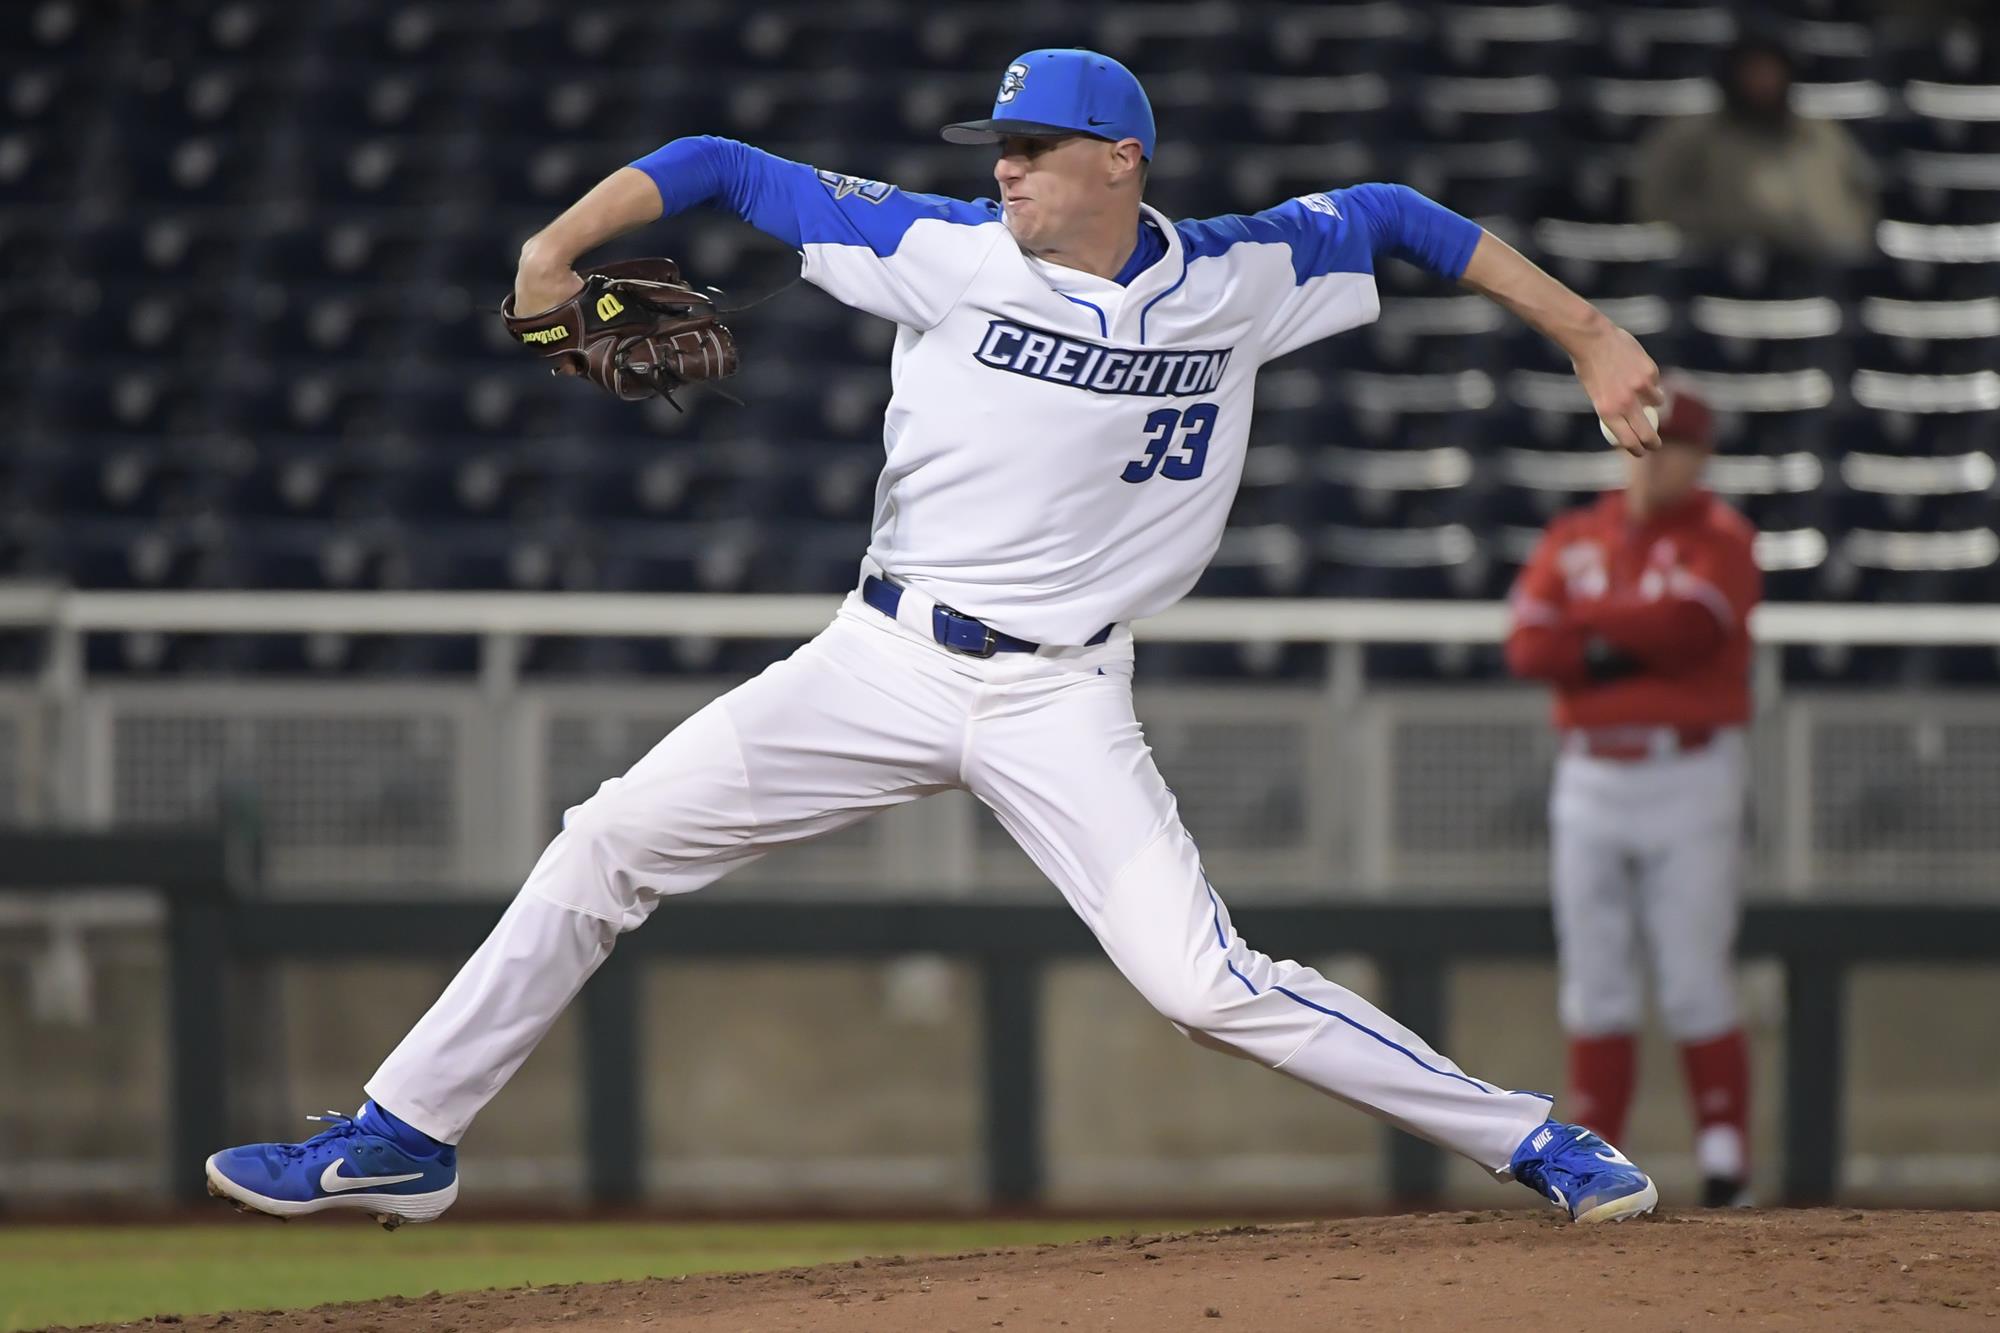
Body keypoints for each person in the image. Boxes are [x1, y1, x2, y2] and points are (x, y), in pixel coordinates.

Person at [204, 49, 1667, 1227]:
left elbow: (1403, 211)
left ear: (1120, 160)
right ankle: (403, 1137)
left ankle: (1535, 1140)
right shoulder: (940, 246)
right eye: (997, 146)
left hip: (1062, 694)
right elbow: (718, 164)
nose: (1005, 167)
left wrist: (1592, 335)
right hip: (879, 661)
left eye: (1031, 147)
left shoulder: (1240, 275)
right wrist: (558, 244)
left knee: (1201, 985)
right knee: (604, 841)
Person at [1504, 381, 1760, 1207]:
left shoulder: (1721, 535)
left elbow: (1695, 629)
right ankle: (1598, 1166)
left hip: (1687, 772)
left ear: (1699, 457)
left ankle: (1725, 1162)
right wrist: (1626, 634)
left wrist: (1591, 630)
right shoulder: (1576, 532)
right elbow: (1528, 646)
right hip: (1589, 775)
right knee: (1596, 982)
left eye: (1677, 445)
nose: (1659, 459)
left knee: (1693, 976)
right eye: (1649, 441)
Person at [1632, 34, 1878, 261]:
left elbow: (1859, 206)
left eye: (1771, 70)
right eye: (1754, 70)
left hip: (1817, 268)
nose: (1764, 81)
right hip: (1714, 266)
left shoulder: (1821, 135)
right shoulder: (1692, 134)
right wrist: (1729, 223)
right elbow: (1653, 204)